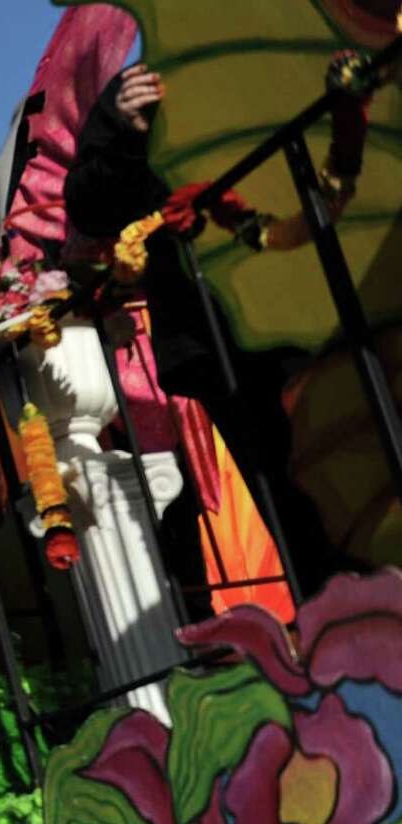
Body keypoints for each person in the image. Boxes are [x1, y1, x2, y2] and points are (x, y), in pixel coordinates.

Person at [64, 62, 353, 602]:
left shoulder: (268, 40)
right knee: (290, 496)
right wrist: (128, 132)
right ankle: (348, 634)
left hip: (321, 296)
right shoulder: (139, 85)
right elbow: (90, 206)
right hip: (218, 331)